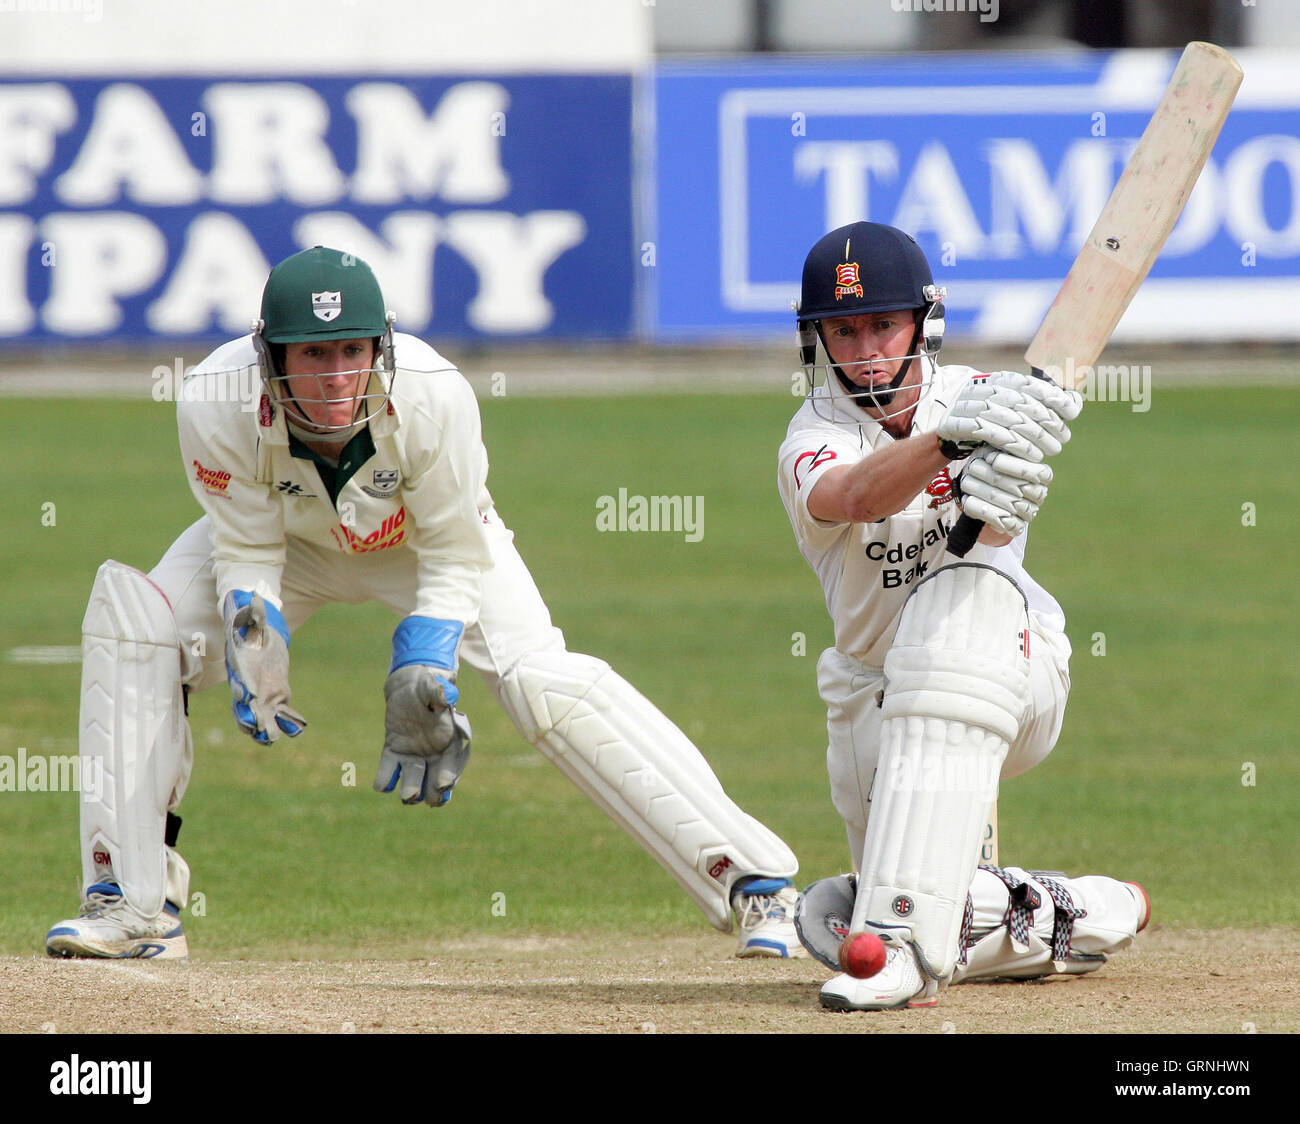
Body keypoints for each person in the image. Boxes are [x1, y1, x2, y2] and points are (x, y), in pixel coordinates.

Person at [46, 246, 803, 962]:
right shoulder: (215, 400)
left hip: (420, 543)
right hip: (291, 541)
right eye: (313, 354)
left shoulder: (435, 395)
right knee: (136, 624)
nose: (337, 376)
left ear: (380, 346)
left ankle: (756, 883)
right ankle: (131, 903)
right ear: (270, 355)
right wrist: (253, 636)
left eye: (353, 350)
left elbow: (453, 549)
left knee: (541, 681)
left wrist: (424, 659)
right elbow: (245, 543)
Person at [778, 222, 1148, 1010]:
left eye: (883, 324)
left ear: (925, 321)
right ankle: (1075, 909)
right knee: (918, 911)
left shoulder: (986, 398)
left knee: (952, 612)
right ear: (817, 340)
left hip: (1010, 670)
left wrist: (1006, 480)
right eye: (844, 331)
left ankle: (910, 936)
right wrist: (947, 446)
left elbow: (991, 544)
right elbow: (853, 496)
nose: (866, 350)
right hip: (874, 701)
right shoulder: (812, 436)